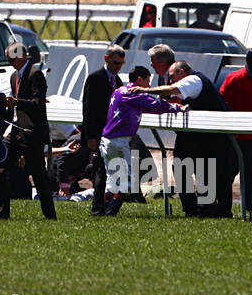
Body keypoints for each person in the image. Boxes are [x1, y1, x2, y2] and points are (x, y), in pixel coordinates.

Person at [142, 51, 230, 217]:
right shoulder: (185, 80)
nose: (169, 80)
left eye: (172, 76)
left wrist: (144, 91)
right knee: (182, 168)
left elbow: (174, 90)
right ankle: (191, 209)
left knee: (204, 172)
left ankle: (207, 209)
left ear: (182, 72)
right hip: (191, 135)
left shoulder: (193, 80)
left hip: (207, 136)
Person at [98, 67, 182, 216]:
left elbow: (145, 106)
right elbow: (155, 103)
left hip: (107, 142)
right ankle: (110, 213)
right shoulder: (134, 93)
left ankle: (102, 211)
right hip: (118, 143)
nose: (148, 86)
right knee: (128, 183)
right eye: (147, 81)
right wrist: (176, 107)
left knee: (112, 181)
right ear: (139, 79)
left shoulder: (119, 91)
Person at [0, 40, 56, 220]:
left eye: (11, 59)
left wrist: (17, 102)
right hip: (17, 131)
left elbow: (38, 104)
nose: (9, 63)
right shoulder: (14, 76)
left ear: (22, 56)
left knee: (39, 176)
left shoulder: (35, 75)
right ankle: (1, 211)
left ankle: (50, 215)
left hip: (32, 134)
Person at [218, 46, 252, 217]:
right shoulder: (233, 79)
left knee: (251, 173)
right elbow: (222, 105)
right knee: (227, 173)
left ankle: (248, 209)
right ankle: (223, 209)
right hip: (233, 138)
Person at [80, 44, 125, 215]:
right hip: (98, 133)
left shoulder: (118, 81)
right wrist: (90, 136)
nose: (118, 67)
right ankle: (97, 208)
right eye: (115, 63)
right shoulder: (95, 78)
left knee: (110, 171)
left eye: (121, 64)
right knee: (100, 171)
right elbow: (88, 110)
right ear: (106, 59)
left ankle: (105, 206)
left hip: (112, 133)